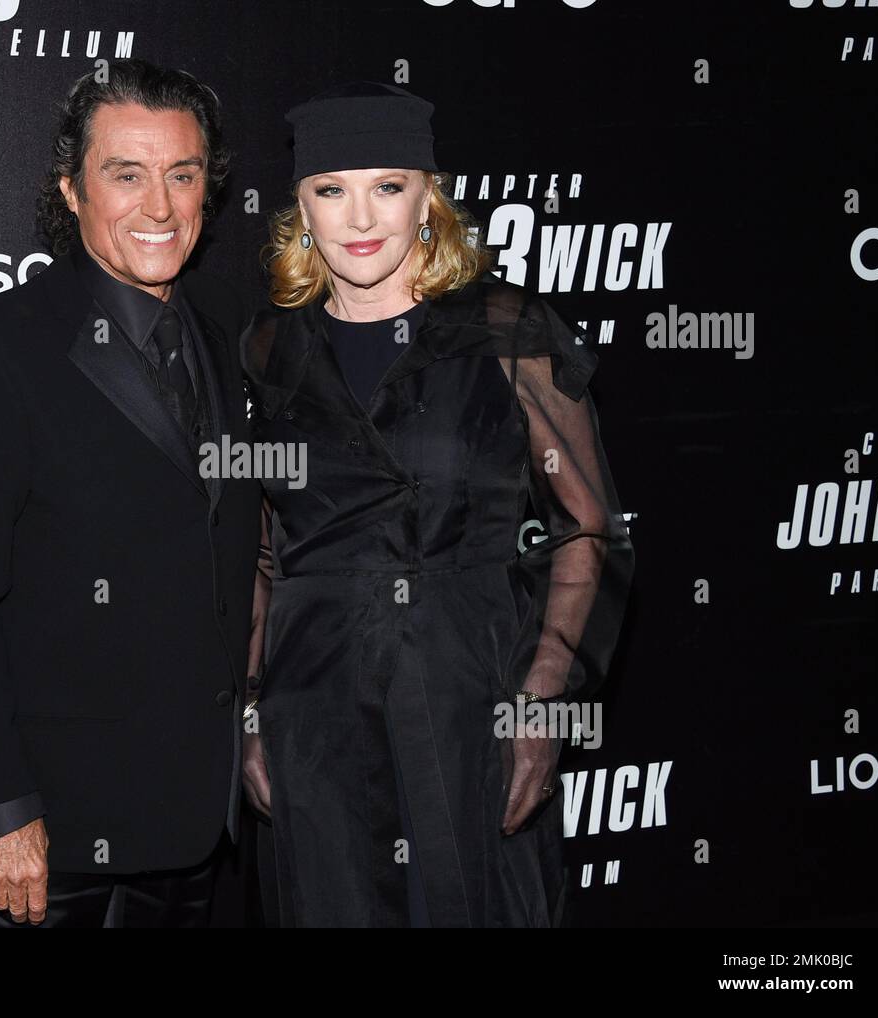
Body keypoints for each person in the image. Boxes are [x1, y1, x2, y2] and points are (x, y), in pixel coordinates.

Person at [239, 82, 635, 927]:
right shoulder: (273, 348)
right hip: (312, 705)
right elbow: (264, 554)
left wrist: (539, 700)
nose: (359, 216)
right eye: (330, 190)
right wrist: (247, 711)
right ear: (300, 209)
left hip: (465, 692)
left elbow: (590, 526)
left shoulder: (504, 330)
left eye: (387, 185)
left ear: (429, 196)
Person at [0, 59, 261, 928]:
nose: (159, 206)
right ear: (71, 190)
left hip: (198, 826)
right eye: (126, 174)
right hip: (59, 839)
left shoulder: (222, 347)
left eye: (183, 175)